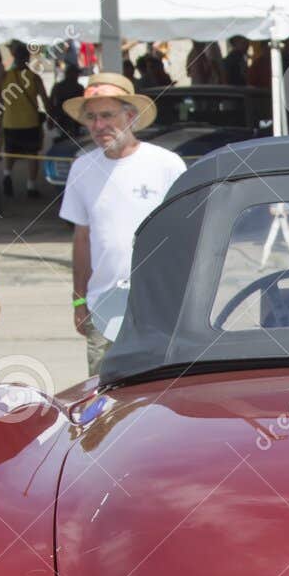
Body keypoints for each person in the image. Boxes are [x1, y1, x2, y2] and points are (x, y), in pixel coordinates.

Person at [60, 73, 187, 374]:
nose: (99, 125)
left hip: (158, 307)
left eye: (107, 115)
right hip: (102, 306)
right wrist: (79, 301)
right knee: (102, 400)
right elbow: (82, 238)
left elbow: (186, 235)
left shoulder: (166, 164)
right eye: (91, 117)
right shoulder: (82, 167)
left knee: (158, 396)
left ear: (130, 116)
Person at [0, 41, 48, 198]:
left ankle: (7, 175)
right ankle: (31, 187)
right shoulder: (34, 77)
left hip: (10, 121)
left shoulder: (5, 76)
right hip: (30, 122)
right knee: (32, 154)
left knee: (10, 152)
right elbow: (45, 101)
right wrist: (52, 116)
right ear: (28, 59)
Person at [46, 61, 84, 139]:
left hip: (68, 117)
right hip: (65, 118)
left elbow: (50, 103)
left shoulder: (59, 86)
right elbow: (51, 103)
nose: (77, 76)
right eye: (76, 74)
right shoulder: (78, 87)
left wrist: (50, 118)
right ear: (69, 74)